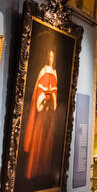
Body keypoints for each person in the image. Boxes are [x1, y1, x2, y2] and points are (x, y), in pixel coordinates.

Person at [21, 49, 60, 182]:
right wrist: (44, 95)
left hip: (49, 113)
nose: (51, 58)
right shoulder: (43, 71)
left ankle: (44, 170)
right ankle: (33, 171)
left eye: (53, 56)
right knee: (38, 140)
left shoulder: (55, 72)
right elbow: (38, 91)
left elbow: (55, 90)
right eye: (49, 56)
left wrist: (52, 95)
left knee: (47, 142)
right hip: (41, 112)